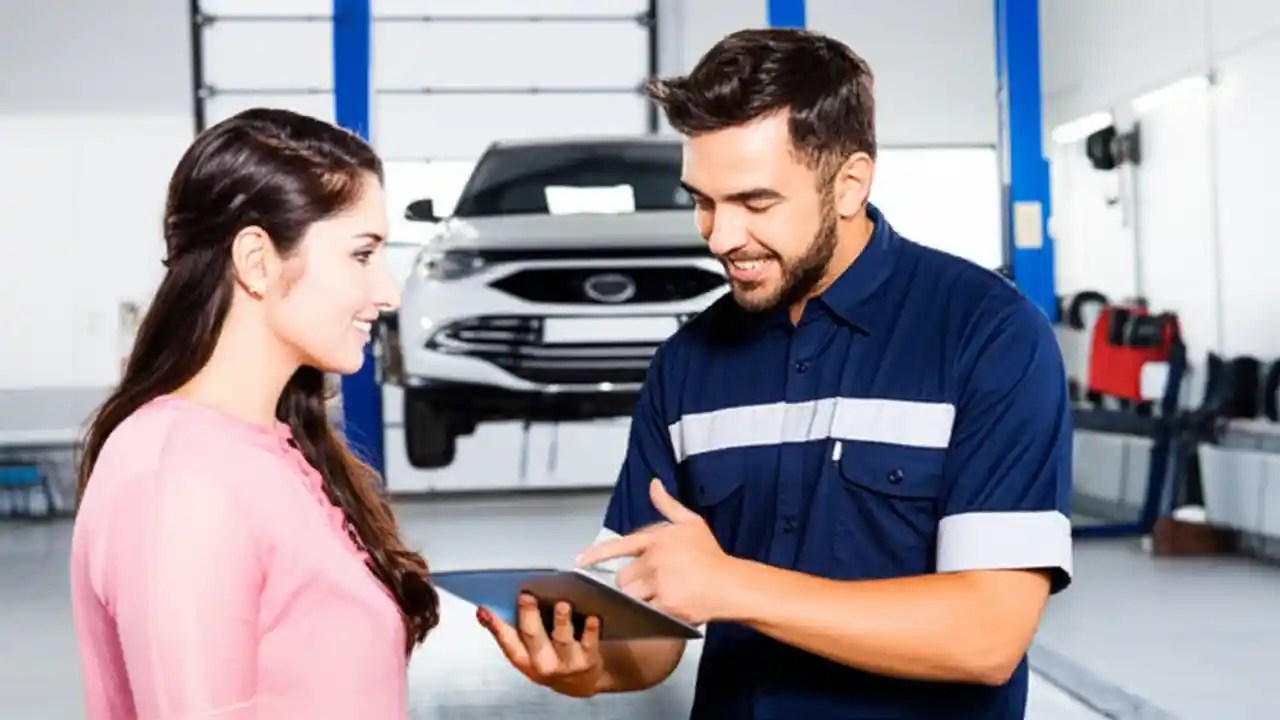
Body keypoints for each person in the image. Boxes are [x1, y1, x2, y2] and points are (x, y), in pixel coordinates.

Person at [477, 28, 1073, 719]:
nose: (720, 236)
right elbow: (651, 626)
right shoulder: (689, 361)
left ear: (849, 183)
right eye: (702, 200)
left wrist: (732, 585)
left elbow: (987, 635)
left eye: (755, 204)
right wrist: (589, 668)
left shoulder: (987, 335)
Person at [69, 108, 440, 719]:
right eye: (362, 254)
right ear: (258, 260)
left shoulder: (275, 450)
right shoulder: (179, 478)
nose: (389, 292)